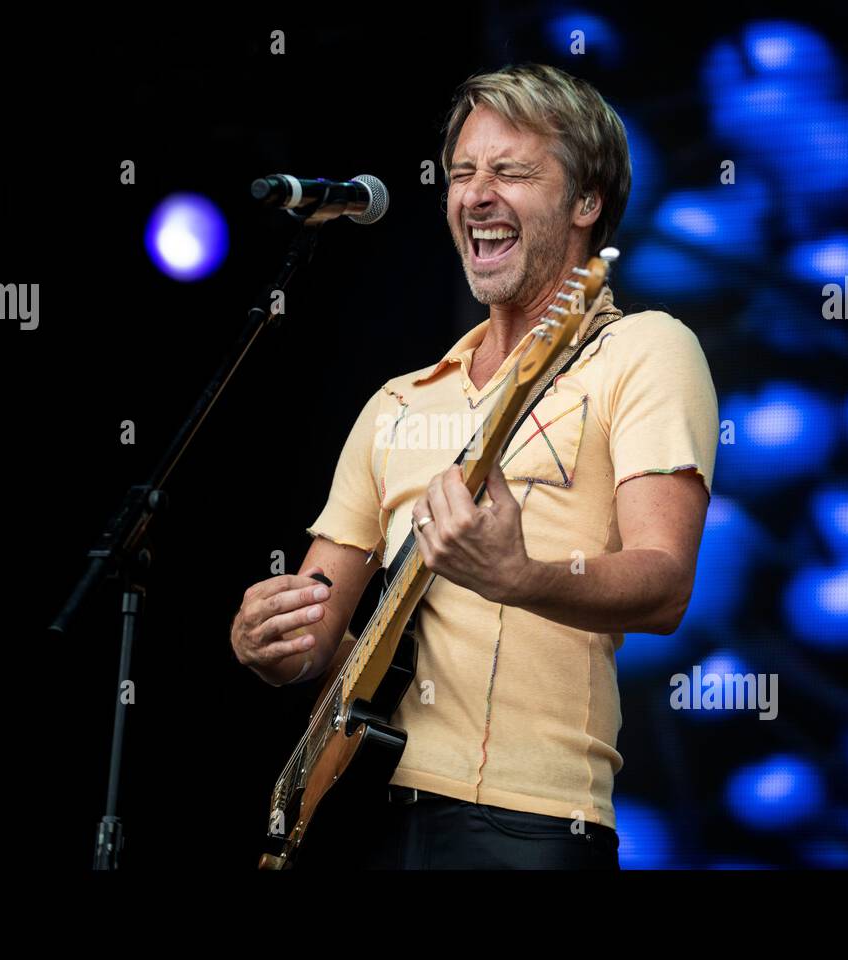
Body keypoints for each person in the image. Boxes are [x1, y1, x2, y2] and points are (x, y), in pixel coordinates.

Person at [231, 62, 719, 869]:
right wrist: (269, 636)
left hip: (527, 823)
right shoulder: (399, 402)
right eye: (462, 174)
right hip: (355, 808)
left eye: (511, 172)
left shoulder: (644, 350)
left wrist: (519, 574)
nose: (475, 194)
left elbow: (665, 585)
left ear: (587, 203)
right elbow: (318, 627)